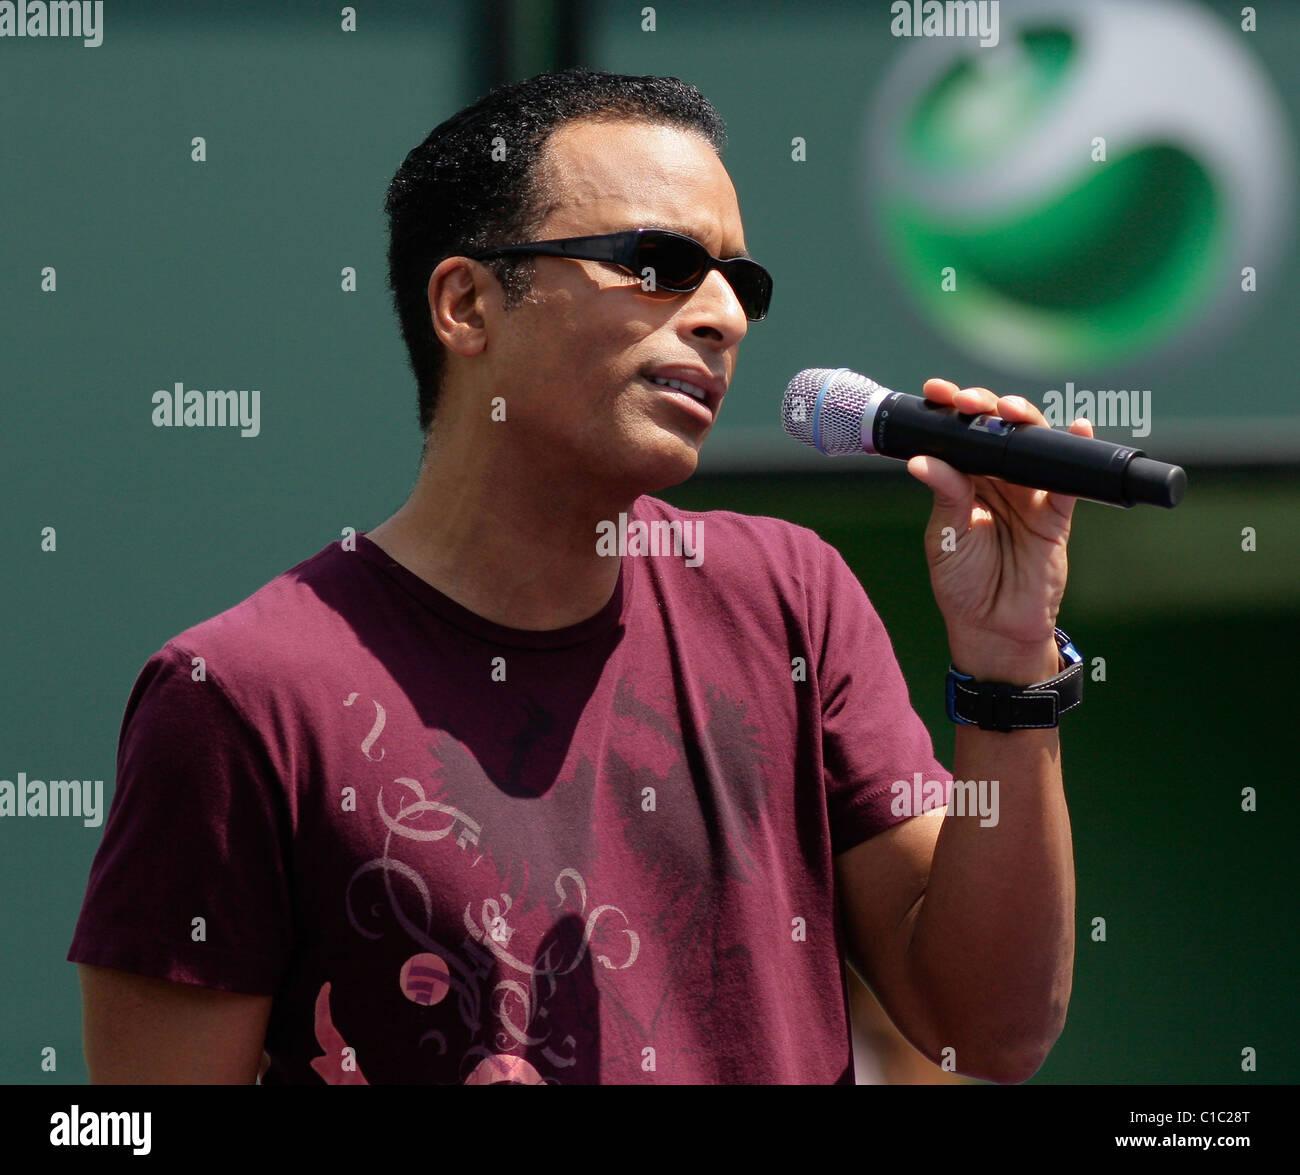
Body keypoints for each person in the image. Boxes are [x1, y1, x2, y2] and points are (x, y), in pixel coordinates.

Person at [69, 68, 1090, 1085]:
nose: (724, 315)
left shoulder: (789, 597)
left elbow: (990, 1030)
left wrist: (1009, 665)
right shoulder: (240, 694)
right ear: (466, 304)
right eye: (657, 263)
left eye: (744, 282)